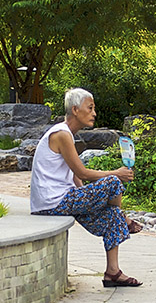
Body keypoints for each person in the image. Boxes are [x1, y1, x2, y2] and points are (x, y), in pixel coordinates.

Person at [30, 88, 144, 287]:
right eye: (90, 108)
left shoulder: (67, 134)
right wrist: (116, 173)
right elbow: (82, 172)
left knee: (111, 216)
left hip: (63, 198)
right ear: (75, 109)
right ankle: (123, 217)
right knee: (113, 182)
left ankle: (112, 272)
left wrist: (87, 197)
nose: (94, 113)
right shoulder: (61, 134)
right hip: (54, 202)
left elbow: (74, 175)